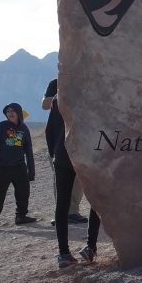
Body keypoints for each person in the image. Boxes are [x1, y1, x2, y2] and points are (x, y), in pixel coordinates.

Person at [44, 84, 100, 269]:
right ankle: (90, 247)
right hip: (87, 155)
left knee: (62, 204)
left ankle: (63, 253)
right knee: (95, 201)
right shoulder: (92, 95)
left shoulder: (58, 99)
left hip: (63, 156)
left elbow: (49, 131)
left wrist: (54, 154)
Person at [0, 103, 37, 231]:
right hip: (2, 167)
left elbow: (28, 150)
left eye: (13, 111)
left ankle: (21, 216)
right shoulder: (2, 126)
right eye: (8, 111)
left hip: (19, 167)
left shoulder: (24, 129)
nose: (10, 113)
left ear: (19, 112)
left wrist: (31, 170)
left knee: (23, 193)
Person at [42, 79, 85, 224]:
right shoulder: (55, 83)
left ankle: (73, 212)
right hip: (59, 137)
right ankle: (61, 212)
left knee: (78, 178)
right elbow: (44, 105)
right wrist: (62, 95)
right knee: (59, 177)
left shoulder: (84, 81)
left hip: (79, 138)